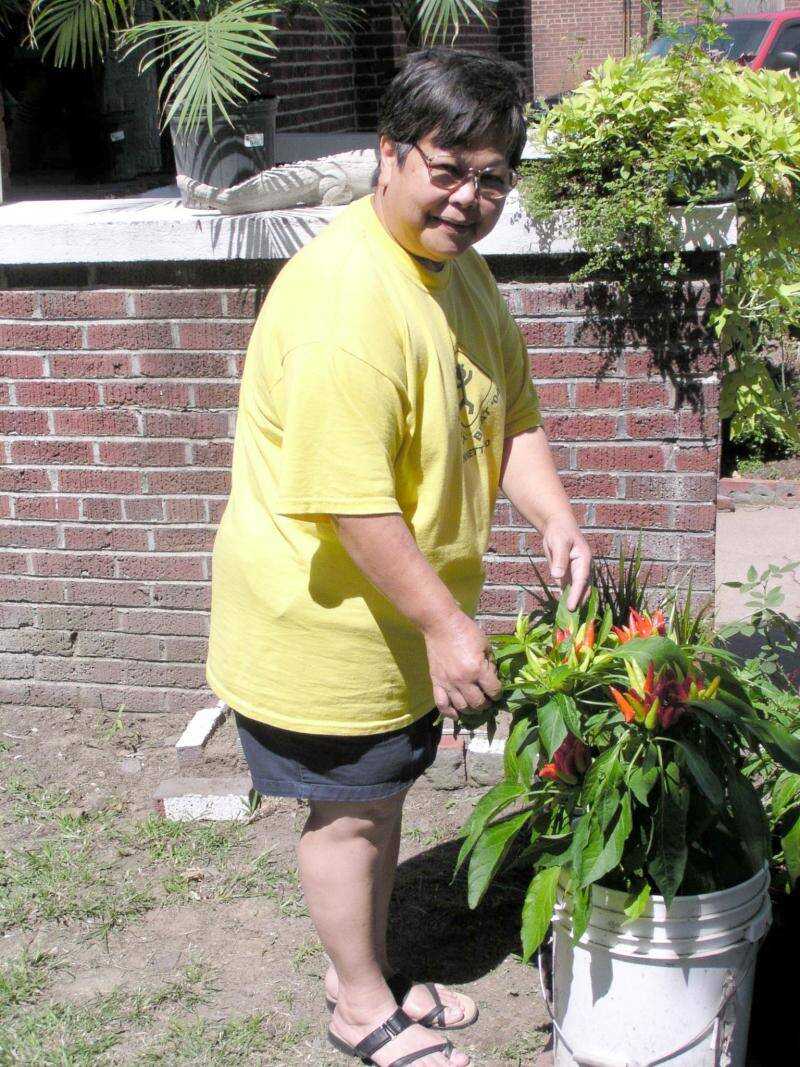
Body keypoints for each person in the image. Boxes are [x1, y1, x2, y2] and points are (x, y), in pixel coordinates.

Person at [206, 48, 592, 1067]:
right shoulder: (348, 304)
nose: (468, 198)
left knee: (379, 800)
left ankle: (357, 965)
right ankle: (358, 1006)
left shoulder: (455, 270)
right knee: (349, 814)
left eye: (492, 176)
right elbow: (349, 502)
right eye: (446, 167)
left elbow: (509, 407)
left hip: (393, 618)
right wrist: (445, 623)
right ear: (387, 154)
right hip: (320, 620)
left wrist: (553, 513)